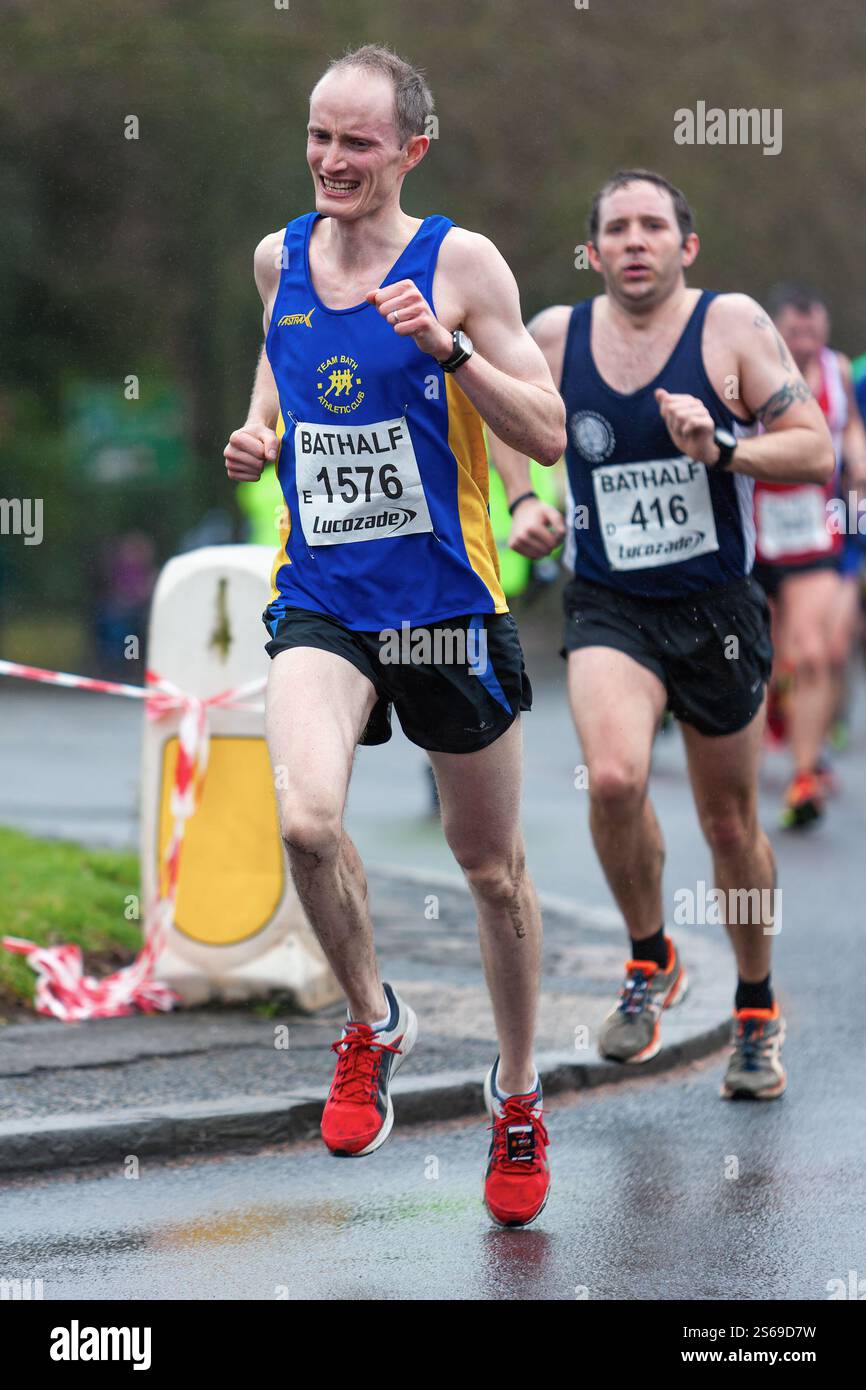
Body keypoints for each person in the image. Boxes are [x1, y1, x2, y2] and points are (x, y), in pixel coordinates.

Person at [224, 45, 566, 1227]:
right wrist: (259, 431)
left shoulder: (459, 262)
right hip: (324, 597)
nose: (330, 160)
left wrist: (449, 351)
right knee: (307, 822)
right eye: (318, 135)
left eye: (356, 142)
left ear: (410, 150)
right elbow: (284, 360)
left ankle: (516, 1098)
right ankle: (374, 1026)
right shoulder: (279, 255)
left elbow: (549, 428)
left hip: (447, 608)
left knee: (489, 869)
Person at [488, 169, 834, 1100]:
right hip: (612, 605)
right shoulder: (556, 336)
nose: (633, 241)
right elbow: (503, 413)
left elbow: (816, 448)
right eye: (615, 229)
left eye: (652, 226)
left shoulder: (734, 328)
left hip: (718, 608)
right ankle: (651, 958)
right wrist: (526, 497)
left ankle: (756, 1007)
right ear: (593, 251)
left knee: (729, 824)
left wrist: (724, 447)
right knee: (613, 777)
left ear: (687, 246)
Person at [751, 286, 866, 826]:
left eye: (813, 334)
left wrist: (859, 467)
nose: (803, 344)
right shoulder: (749, 364)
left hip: (815, 534)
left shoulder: (836, 369)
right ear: (775, 331)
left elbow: (848, 428)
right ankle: (776, 704)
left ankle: (802, 778)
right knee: (768, 659)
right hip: (753, 533)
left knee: (816, 652)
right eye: (794, 334)